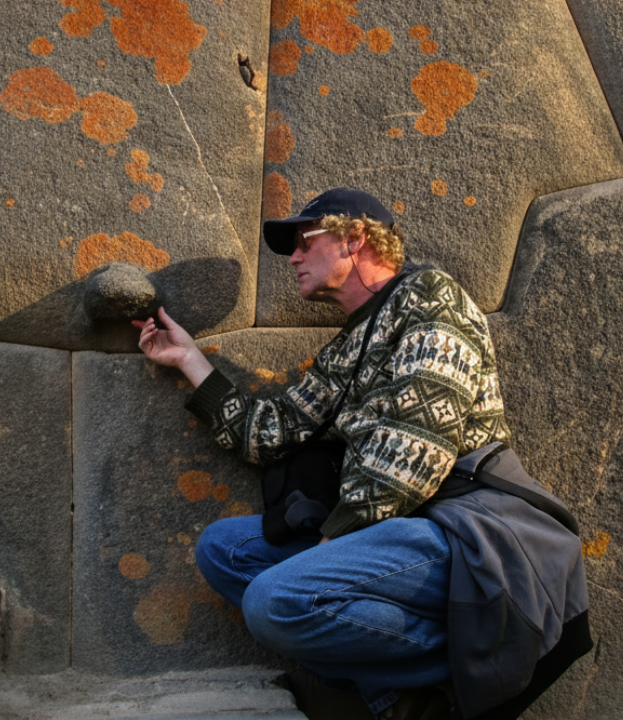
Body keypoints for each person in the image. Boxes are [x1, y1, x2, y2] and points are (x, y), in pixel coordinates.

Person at [131, 188, 516, 719]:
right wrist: (188, 358)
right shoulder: (347, 347)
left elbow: (409, 459)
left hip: (456, 530)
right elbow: (269, 431)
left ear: (355, 239)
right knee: (224, 549)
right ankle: (399, 698)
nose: (291, 257)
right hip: (385, 537)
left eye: (303, 241)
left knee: (271, 603)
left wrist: (324, 549)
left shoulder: (431, 298)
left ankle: (475, 656)